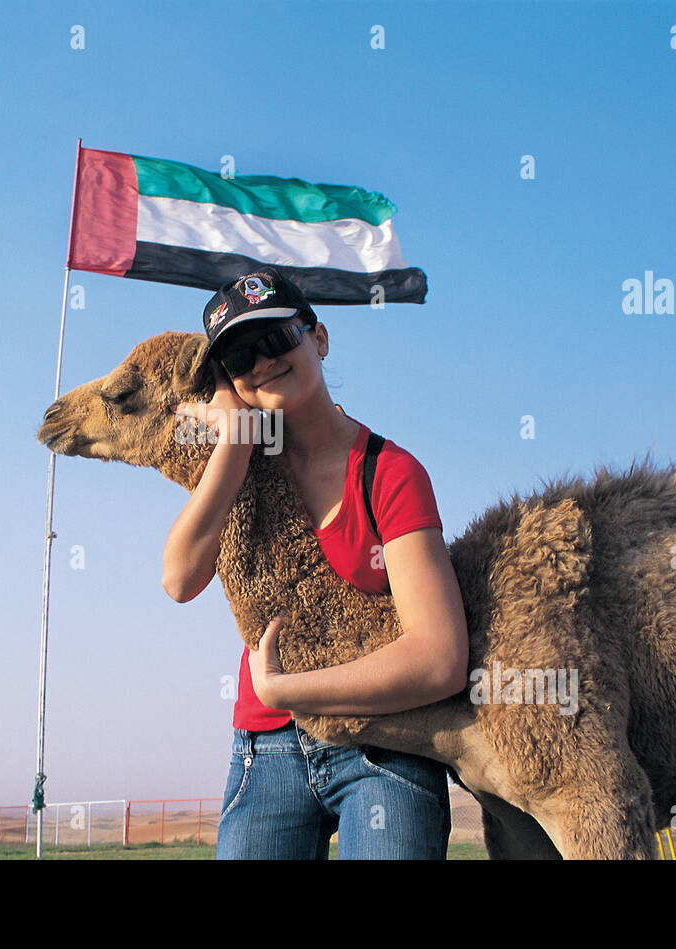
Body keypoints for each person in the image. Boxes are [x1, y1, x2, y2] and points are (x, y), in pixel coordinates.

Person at [164, 267, 471, 859]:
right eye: (240, 359)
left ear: (319, 339)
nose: (262, 363)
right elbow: (179, 579)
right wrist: (234, 444)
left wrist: (288, 689)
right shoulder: (245, 473)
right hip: (266, 748)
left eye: (276, 339)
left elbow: (441, 658)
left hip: (382, 744)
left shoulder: (390, 473)